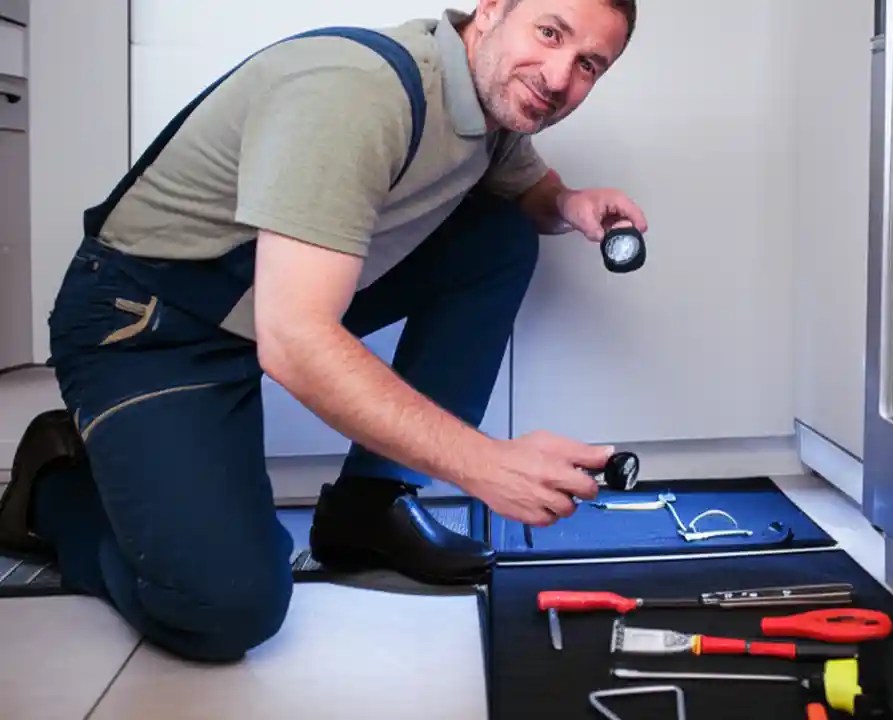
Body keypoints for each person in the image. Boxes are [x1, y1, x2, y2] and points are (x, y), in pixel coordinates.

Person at [0, 0, 645, 663]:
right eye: (549, 33)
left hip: (257, 303)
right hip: (150, 321)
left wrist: (567, 204)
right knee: (226, 608)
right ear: (490, 11)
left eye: (588, 64)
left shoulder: (492, 96)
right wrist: (484, 464)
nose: (560, 76)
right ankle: (53, 490)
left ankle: (369, 510)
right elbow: (296, 341)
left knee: (498, 237)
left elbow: (524, 183)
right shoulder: (356, 94)